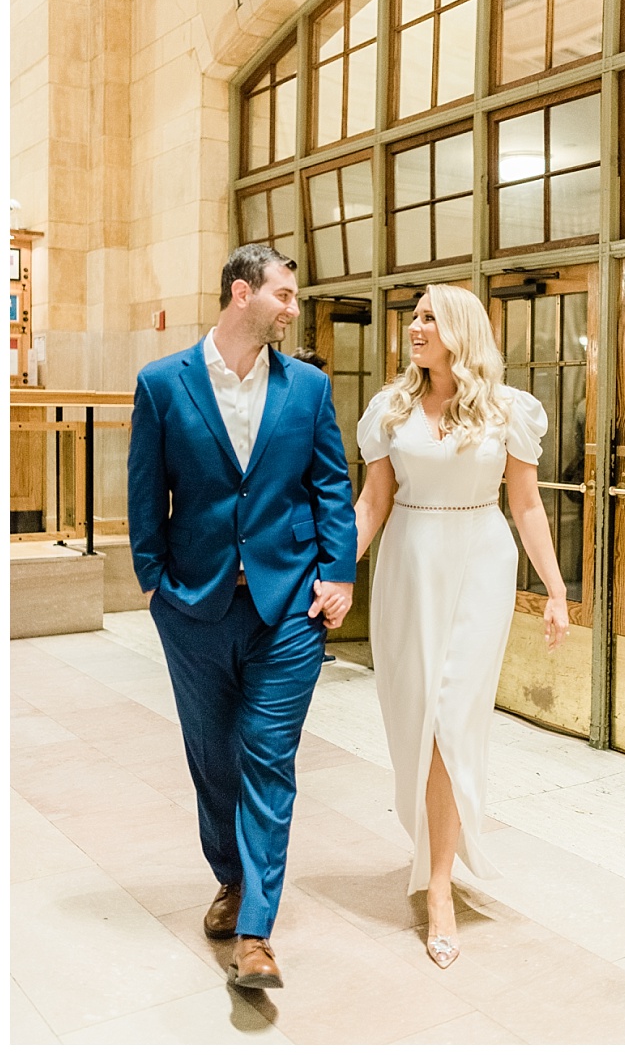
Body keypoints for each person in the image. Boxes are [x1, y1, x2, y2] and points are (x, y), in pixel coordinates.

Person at [128, 243, 357, 990]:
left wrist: (339, 572)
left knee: (266, 754)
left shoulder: (309, 388)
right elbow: (145, 492)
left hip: (288, 605)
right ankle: (229, 877)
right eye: (285, 295)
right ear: (241, 293)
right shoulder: (163, 384)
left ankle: (256, 929)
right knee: (213, 757)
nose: (293, 308)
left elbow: (330, 484)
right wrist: (154, 581)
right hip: (192, 604)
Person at [352, 284, 569, 969]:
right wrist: (327, 574)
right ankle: (432, 852)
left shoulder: (508, 412)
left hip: (480, 565)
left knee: (449, 719)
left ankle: (440, 885)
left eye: (428, 317)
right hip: (410, 569)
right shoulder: (389, 411)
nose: (415, 326)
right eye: (413, 316)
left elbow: (528, 506)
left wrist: (558, 590)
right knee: (415, 722)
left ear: (460, 330)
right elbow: (373, 503)